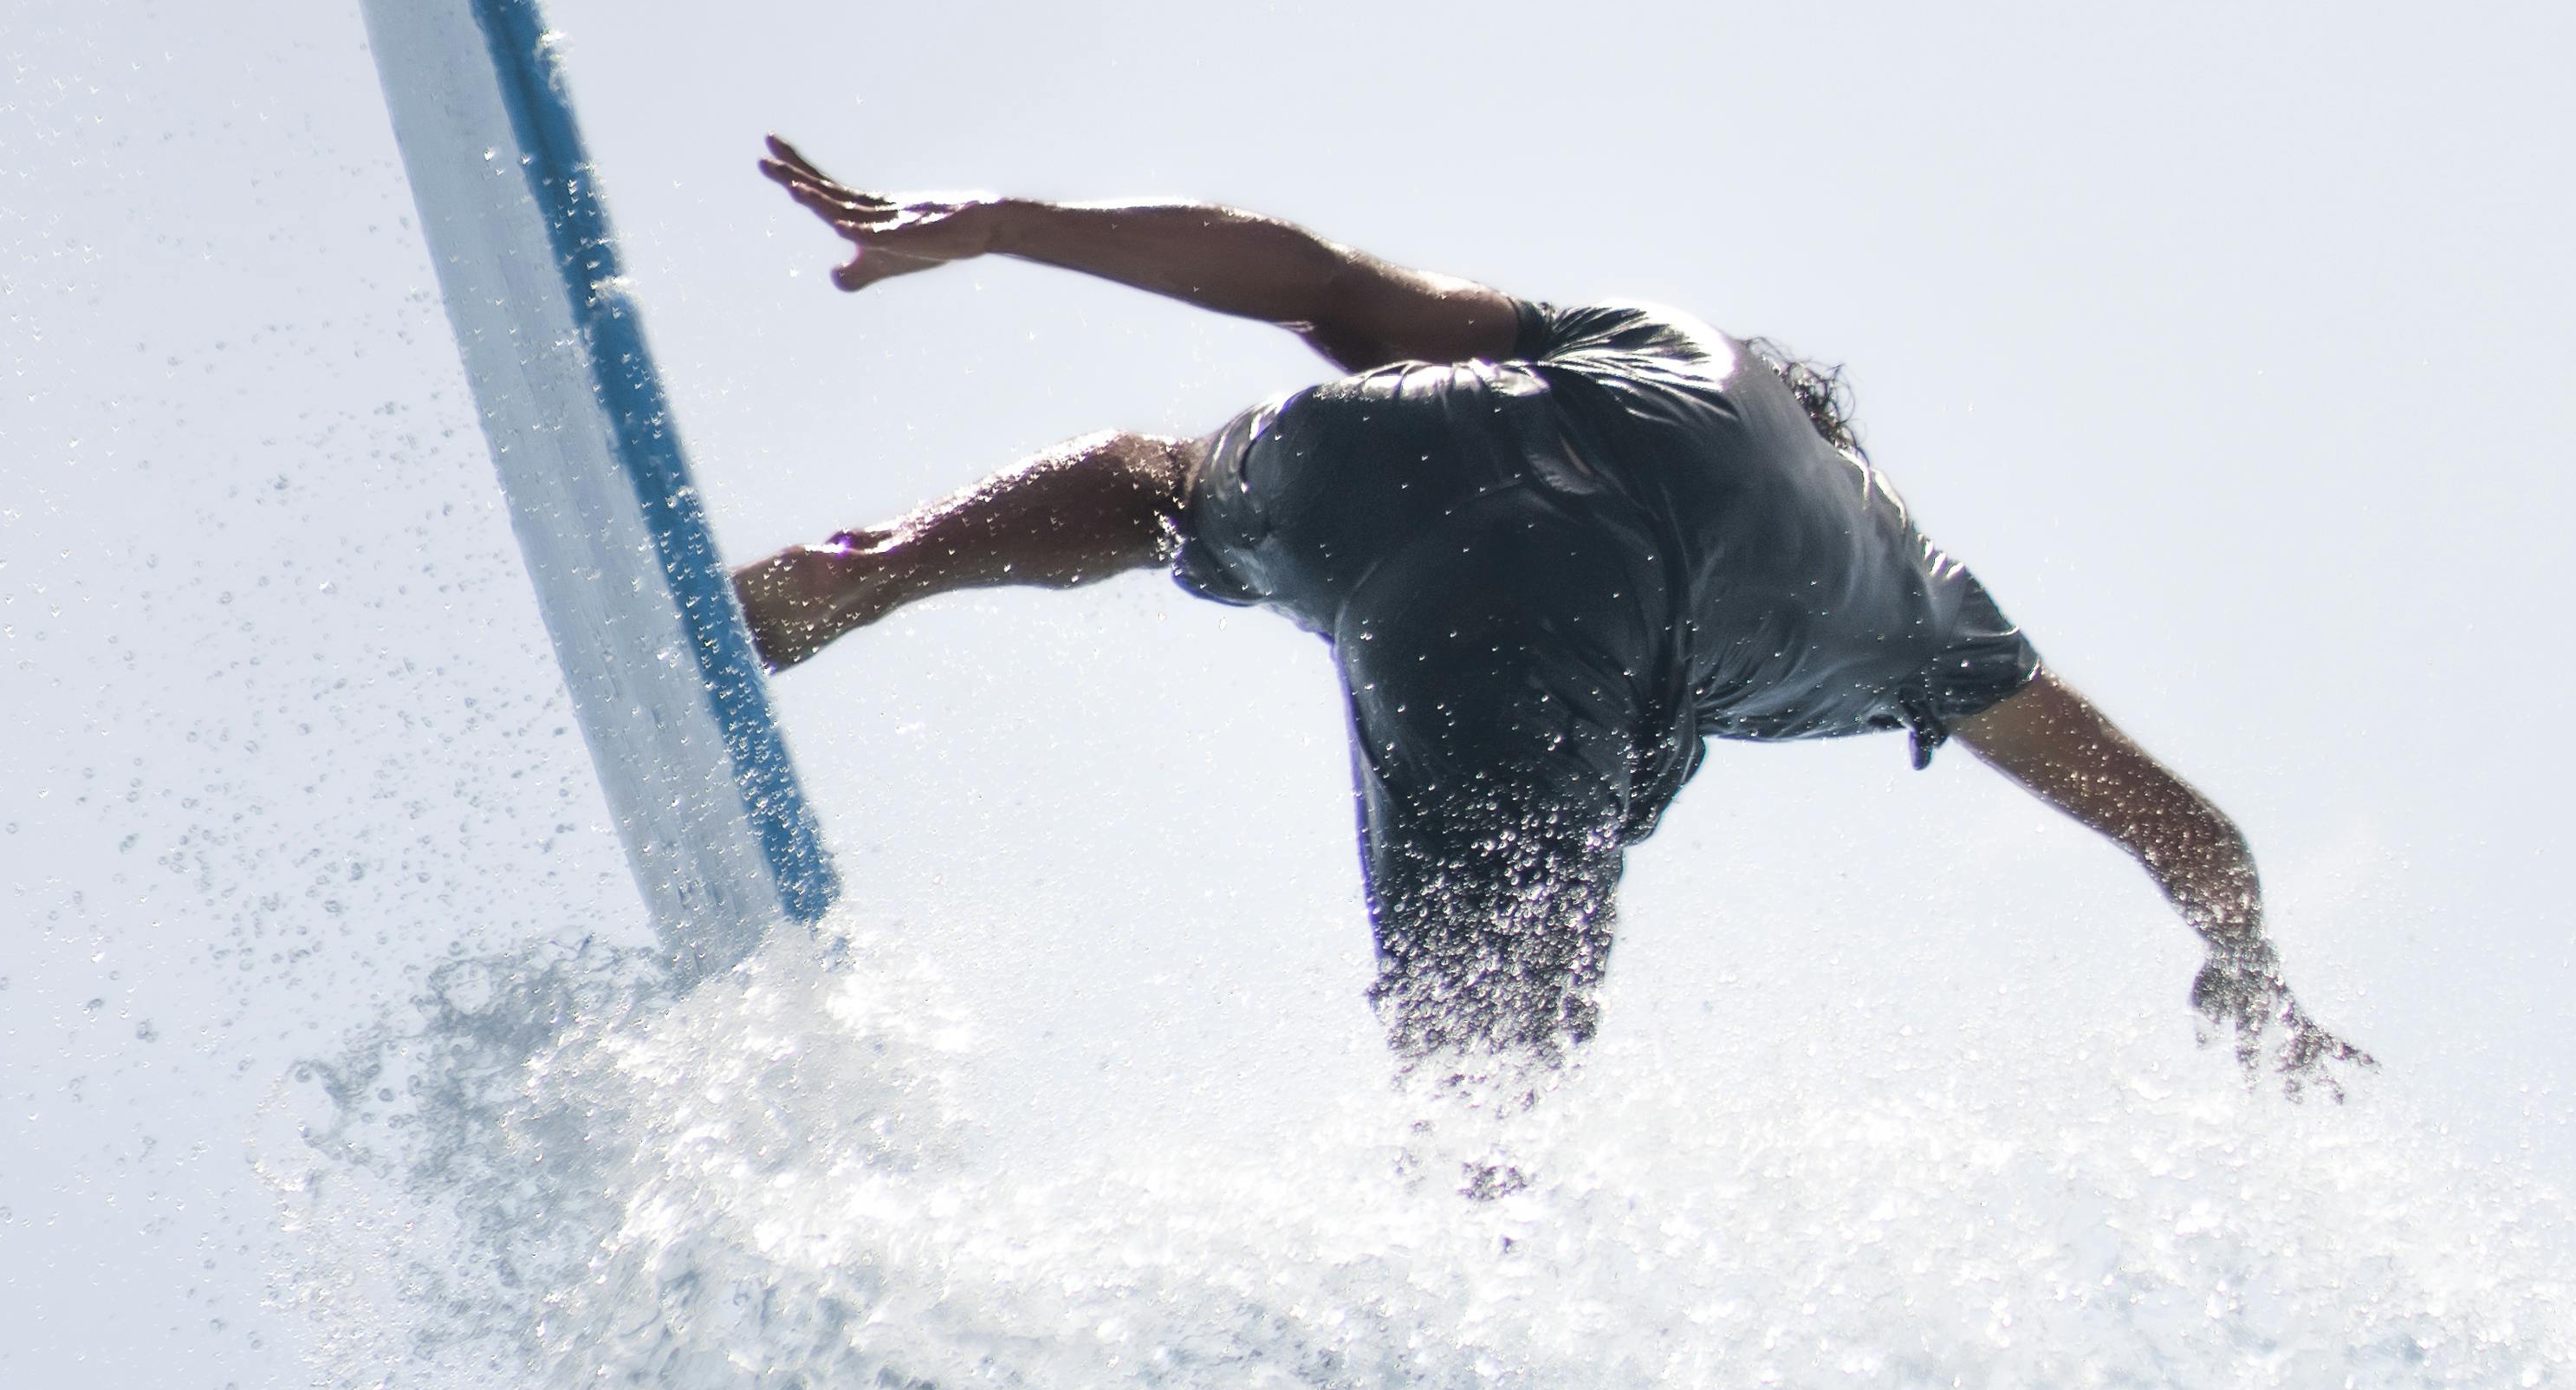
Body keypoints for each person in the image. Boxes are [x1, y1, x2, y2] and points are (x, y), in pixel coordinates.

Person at [731, 146, 2364, 1087]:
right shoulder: (1922, 604)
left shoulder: (1658, 333)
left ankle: (849, 583)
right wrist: (2253, 971)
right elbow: (2179, 828)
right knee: (1482, 1114)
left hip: (1396, 459)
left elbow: (1308, 279)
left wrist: (1010, 226)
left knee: (1168, 479)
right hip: (1550, 640)